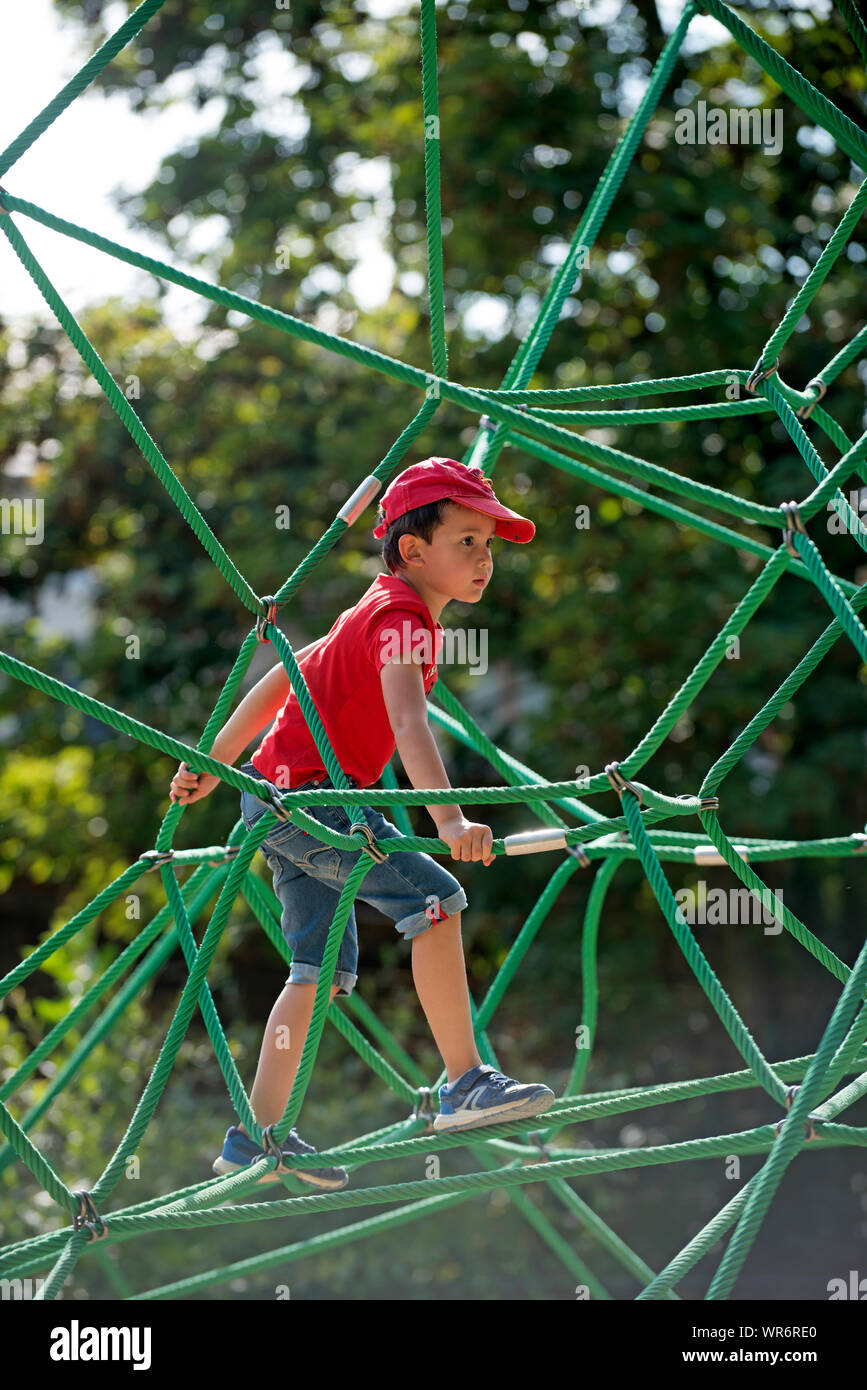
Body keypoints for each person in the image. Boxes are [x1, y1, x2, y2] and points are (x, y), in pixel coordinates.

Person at [168, 457, 554, 1189]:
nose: (483, 558)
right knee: (435, 904)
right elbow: (409, 721)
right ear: (412, 550)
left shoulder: (370, 609)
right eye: (466, 540)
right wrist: (448, 819)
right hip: (317, 803)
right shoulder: (401, 618)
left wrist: (216, 760)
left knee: (317, 973)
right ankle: (465, 1081)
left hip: (280, 798)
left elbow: (284, 674)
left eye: (489, 544)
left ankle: (257, 1135)